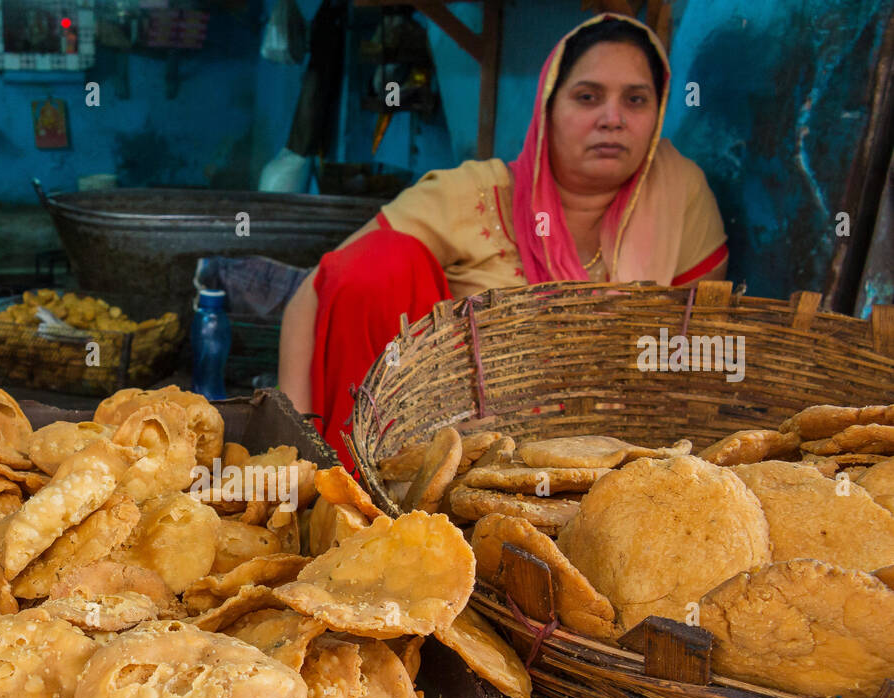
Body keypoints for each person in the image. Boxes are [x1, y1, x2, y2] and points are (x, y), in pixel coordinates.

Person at [279, 13, 728, 466]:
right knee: (377, 265)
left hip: (620, 463)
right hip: (447, 464)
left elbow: (698, 357)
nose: (612, 119)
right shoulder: (473, 195)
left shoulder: (677, 196)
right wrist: (298, 454)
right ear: (548, 109)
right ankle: (361, 491)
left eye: (636, 100)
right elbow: (314, 295)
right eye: (588, 97)